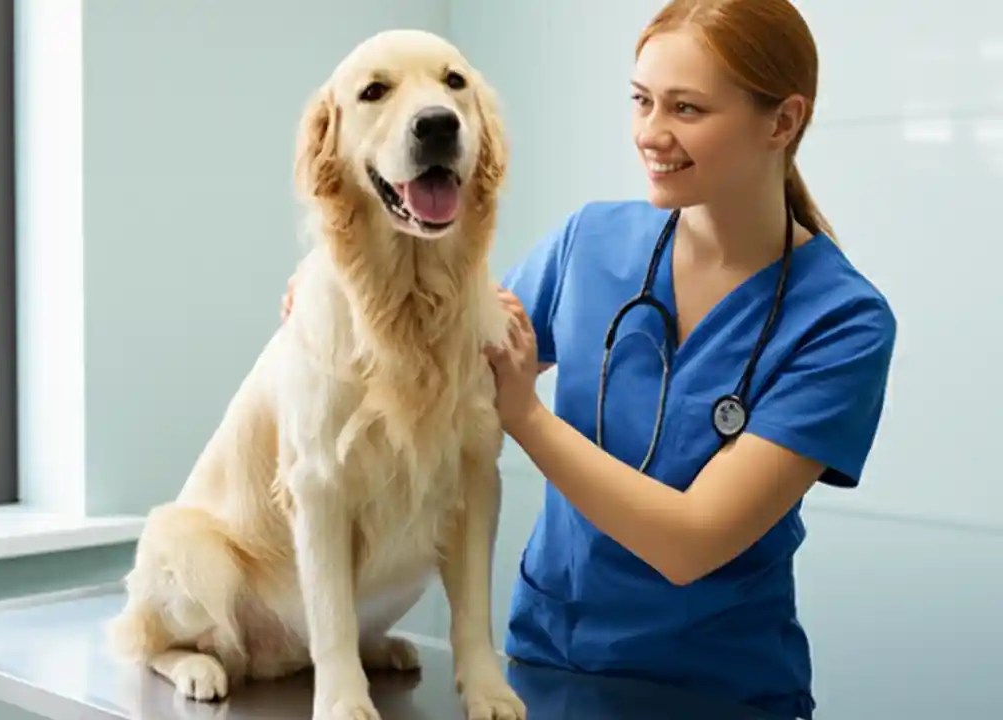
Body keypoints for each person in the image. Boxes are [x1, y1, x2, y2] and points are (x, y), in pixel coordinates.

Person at [282, 1, 897, 718]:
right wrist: (338, 283)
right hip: (548, 666)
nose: (650, 134)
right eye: (641, 101)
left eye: (687, 109)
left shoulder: (842, 321)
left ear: (783, 122)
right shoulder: (591, 241)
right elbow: (445, 343)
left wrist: (526, 418)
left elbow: (692, 542)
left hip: (719, 691)